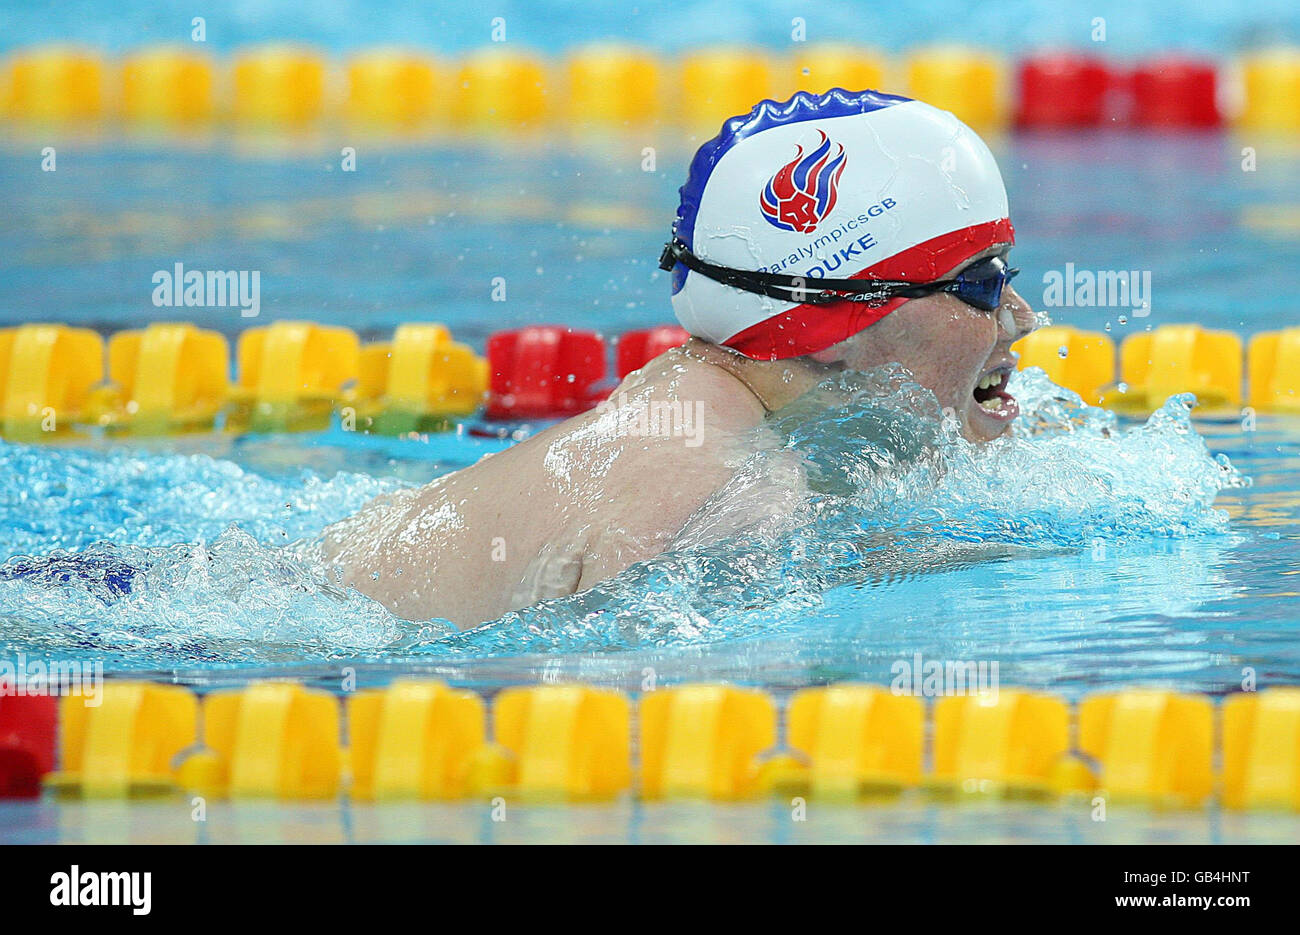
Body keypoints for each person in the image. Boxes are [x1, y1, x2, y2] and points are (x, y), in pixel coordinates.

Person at [321, 88, 1038, 629]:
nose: (1020, 317)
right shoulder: (735, 496)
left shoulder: (687, 402)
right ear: (842, 318)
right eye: (980, 282)